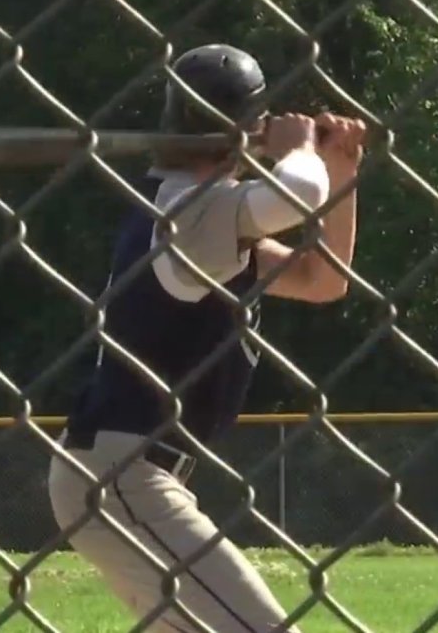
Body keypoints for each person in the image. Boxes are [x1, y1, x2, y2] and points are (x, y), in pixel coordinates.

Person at [47, 44, 366, 631]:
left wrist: (341, 174)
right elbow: (292, 199)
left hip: (131, 473)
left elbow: (321, 281)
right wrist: (297, 150)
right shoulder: (188, 211)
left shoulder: (209, 220)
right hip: (123, 478)